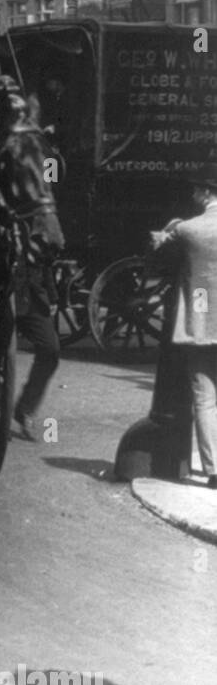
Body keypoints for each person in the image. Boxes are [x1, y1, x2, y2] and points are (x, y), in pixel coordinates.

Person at [0, 77, 66, 441]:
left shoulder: (30, 142)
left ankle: (24, 408)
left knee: (50, 349)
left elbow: (47, 176)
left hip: (29, 281)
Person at [149, 174, 217, 490]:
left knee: (205, 400)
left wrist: (160, 238)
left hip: (201, 327)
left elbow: (158, 255)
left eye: (196, 189)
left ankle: (214, 469)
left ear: (205, 193)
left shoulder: (188, 229)